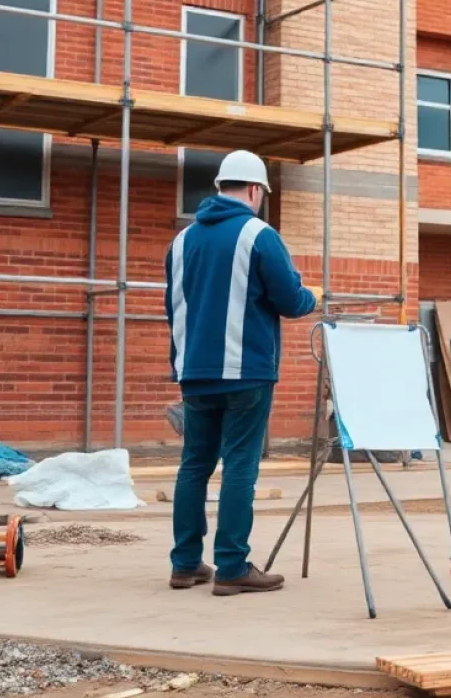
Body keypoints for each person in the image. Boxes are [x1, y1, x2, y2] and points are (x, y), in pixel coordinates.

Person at [165, 149, 317, 595]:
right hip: (246, 371)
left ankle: (185, 564)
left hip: (194, 371)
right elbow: (290, 301)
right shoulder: (258, 234)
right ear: (255, 190)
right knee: (239, 468)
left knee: (194, 465)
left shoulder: (181, 241)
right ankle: (232, 567)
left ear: (219, 187)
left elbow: (174, 309)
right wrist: (312, 296)